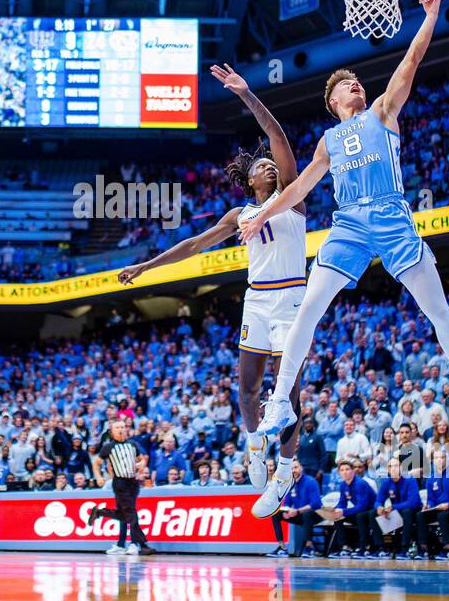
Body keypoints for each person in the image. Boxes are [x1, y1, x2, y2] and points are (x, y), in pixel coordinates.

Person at [236, 0, 449, 460]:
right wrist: (262, 218)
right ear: (332, 102)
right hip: (349, 225)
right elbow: (297, 191)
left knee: (438, 311)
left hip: (392, 216)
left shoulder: (382, 111)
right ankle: (279, 404)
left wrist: (431, 15)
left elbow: (411, 61)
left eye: (357, 81)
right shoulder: (327, 141)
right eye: (344, 85)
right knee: (309, 308)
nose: (355, 84)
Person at [118, 63, 307, 516]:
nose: (269, 165)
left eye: (271, 164)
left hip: (293, 298)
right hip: (258, 298)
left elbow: (276, 133)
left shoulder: (294, 195)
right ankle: (254, 447)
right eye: (261, 166)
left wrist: (246, 94)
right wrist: (146, 265)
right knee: (246, 391)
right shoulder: (239, 214)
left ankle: (284, 472)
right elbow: (193, 246)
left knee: (290, 393)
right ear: (250, 182)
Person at [87, 418, 156, 555]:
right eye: (117, 428)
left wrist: (141, 465)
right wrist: (99, 477)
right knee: (131, 513)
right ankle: (140, 544)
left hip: (133, 482)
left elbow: (142, 459)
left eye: (123, 427)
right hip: (120, 483)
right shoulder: (109, 447)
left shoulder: (132, 444)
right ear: (112, 432)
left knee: (124, 514)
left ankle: (103, 517)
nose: (121, 429)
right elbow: (96, 463)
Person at [268, 458, 324, 557]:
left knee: (307, 514)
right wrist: (286, 511)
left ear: (301, 468)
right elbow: (287, 504)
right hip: (298, 514)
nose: (293, 470)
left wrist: (297, 511)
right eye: (291, 468)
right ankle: (282, 547)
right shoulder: (290, 484)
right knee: (275, 514)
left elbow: (316, 504)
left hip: (316, 515)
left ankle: (309, 547)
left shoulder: (311, 481)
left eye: (296, 467)